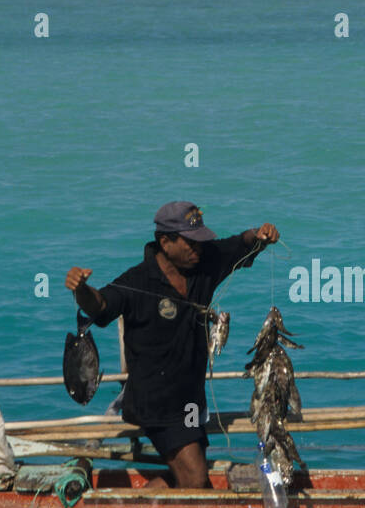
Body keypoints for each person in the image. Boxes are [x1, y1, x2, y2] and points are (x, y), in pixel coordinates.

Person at [65, 201, 279, 488]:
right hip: (156, 403)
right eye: (190, 243)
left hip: (190, 402)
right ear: (165, 242)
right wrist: (81, 290)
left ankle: (154, 494)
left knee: (193, 471)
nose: (198, 249)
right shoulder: (137, 281)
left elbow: (239, 244)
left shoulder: (204, 263)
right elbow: (101, 305)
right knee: (195, 478)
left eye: (201, 242)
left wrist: (260, 234)